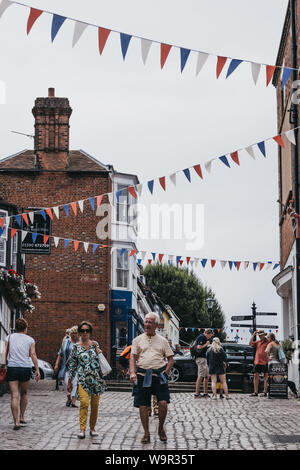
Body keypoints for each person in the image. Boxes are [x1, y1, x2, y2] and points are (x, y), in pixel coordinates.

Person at [129, 312, 174, 444]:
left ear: (156, 325)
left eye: (150, 322)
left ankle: (160, 429)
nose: (147, 324)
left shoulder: (163, 341)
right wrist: (132, 372)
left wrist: (165, 373)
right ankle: (146, 433)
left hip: (159, 376)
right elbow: (132, 357)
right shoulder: (137, 340)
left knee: (163, 403)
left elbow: (171, 360)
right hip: (142, 375)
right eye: (146, 322)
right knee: (143, 405)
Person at [67, 321, 106, 439]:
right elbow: (73, 365)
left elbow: (99, 358)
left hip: (96, 380)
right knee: (84, 403)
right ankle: (82, 429)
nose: (85, 333)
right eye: (82, 331)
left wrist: (99, 352)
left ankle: (92, 428)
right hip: (83, 380)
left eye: (87, 331)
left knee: (95, 405)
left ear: (90, 332)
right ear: (79, 333)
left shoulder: (95, 344)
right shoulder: (76, 347)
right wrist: (70, 381)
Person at [1, 318, 40, 430]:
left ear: (16, 327)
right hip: (25, 368)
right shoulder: (30, 339)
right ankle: (22, 416)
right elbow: (33, 354)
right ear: (25, 328)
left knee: (14, 395)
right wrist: (37, 369)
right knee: (24, 393)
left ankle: (16, 422)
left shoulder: (9, 337)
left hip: (13, 367)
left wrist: (3, 364)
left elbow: (4, 352)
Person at [54, 325, 79, 407]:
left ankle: (74, 401)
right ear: (70, 334)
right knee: (65, 382)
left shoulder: (79, 343)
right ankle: (69, 398)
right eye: (73, 333)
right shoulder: (65, 342)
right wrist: (57, 364)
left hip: (76, 367)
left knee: (75, 383)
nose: (74, 335)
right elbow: (60, 353)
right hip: (66, 366)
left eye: (76, 333)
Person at [249, 330, 270, 397]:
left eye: (261, 335)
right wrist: (253, 335)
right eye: (259, 335)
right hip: (257, 361)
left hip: (265, 361)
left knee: (265, 376)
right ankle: (255, 391)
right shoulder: (258, 342)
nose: (260, 336)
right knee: (255, 375)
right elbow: (250, 343)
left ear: (264, 335)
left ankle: (264, 391)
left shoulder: (268, 342)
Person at [194, 328, 214, 398]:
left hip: (204, 359)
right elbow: (199, 347)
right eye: (209, 336)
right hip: (201, 358)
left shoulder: (203, 338)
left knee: (206, 376)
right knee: (201, 375)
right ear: (206, 333)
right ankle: (196, 393)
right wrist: (206, 344)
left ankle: (205, 392)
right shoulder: (202, 337)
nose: (209, 337)